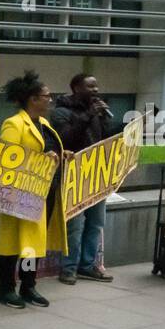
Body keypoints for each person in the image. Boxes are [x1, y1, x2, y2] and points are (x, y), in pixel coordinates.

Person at [0, 70, 67, 308]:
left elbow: (49, 150)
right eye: (46, 95)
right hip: (20, 194)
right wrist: (40, 158)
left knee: (32, 244)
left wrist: (61, 155)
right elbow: (8, 158)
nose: (50, 99)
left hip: (44, 192)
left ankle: (28, 285)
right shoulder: (14, 124)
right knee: (13, 244)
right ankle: (6, 288)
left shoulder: (44, 124)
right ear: (33, 99)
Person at [51, 74, 116, 284]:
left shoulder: (97, 112)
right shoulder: (62, 111)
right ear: (76, 88)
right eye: (90, 86)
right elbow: (65, 138)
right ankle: (68, 268)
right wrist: (89, 115)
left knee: (96, 222)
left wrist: (127, 126)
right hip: (74, 175)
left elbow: (105, 138)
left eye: (96, 86)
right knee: (75, 225)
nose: (96, 90)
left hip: (96, 174)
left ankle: (87, 266)